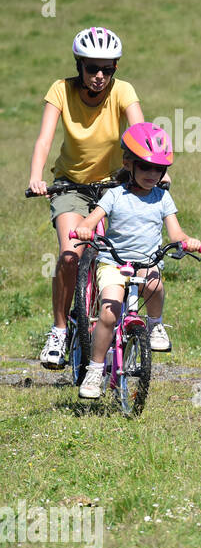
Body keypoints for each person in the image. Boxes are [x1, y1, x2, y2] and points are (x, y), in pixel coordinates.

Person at [28, 26, 144, 368]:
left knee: (121, 258)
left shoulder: (123, 91)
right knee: (68, 256)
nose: (99, 76)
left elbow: (139, 131)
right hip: (71, 186)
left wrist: (155, 169)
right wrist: (37, 178)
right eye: (92, 67)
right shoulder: (60, 90)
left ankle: (119, 331)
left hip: (114, 186)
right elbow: (45, 140)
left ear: (115, 69)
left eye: (107, 69)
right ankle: (60, 331)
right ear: (79, 65)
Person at [73, 124, 201, 399]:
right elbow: (92, 219)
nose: (152, 175)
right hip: (113, 263)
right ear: (128, 164)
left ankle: (155, 325)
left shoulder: (163, 198)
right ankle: (95, 370)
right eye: (145, 167)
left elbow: (175, 231)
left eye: (158, 169)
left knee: (155, 287)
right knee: (108, 314)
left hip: (146, 262)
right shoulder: (116, 194)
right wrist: (84, 228)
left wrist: (184, 240)